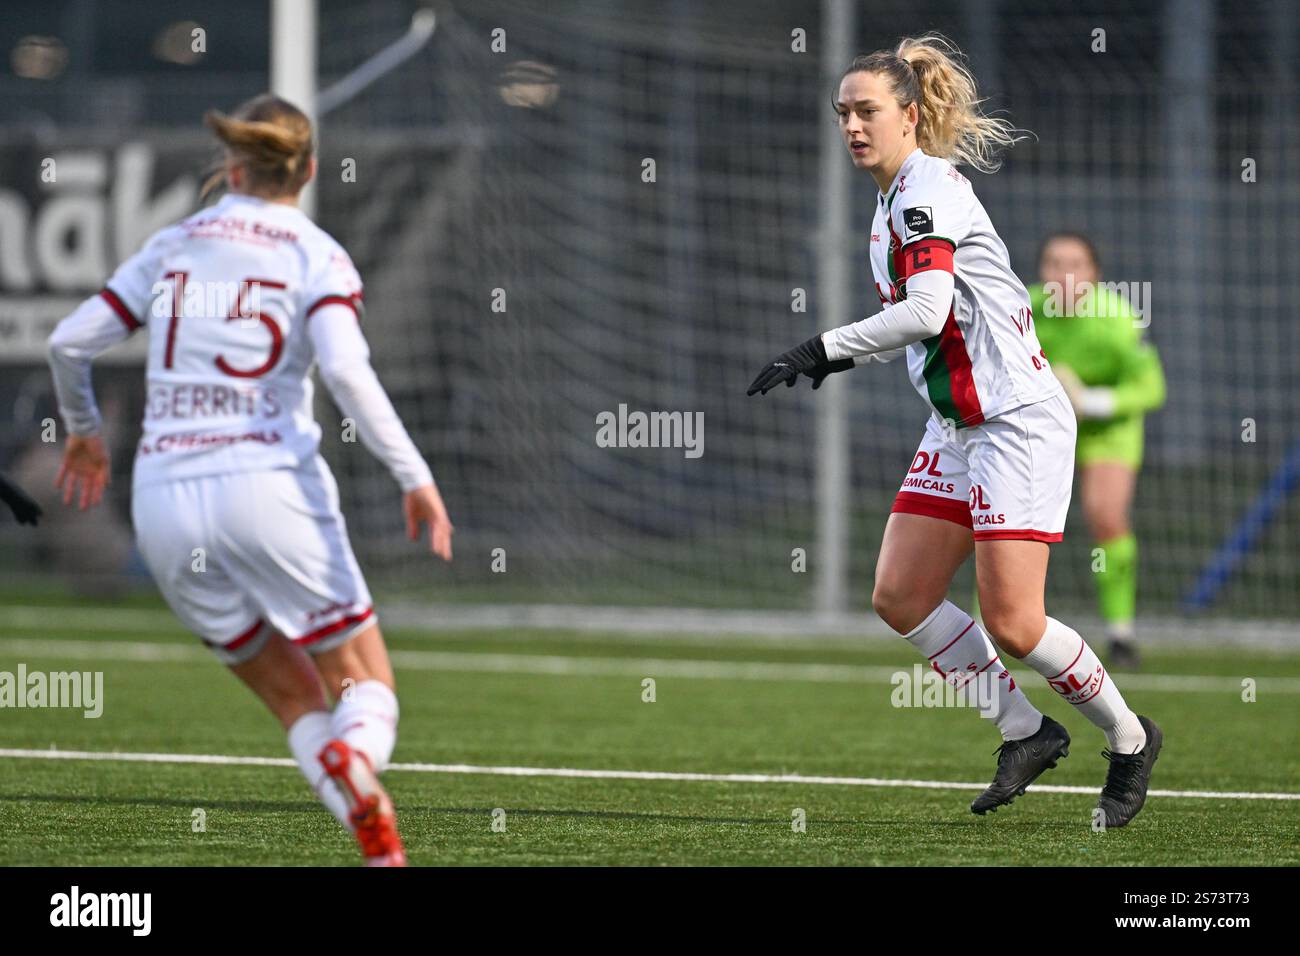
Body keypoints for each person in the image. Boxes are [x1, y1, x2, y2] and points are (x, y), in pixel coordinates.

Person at [747, 36, 1161, 826]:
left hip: (1015, 425)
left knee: (1014, 623)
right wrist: (841, 355)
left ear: (908, 115)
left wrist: (824, 348)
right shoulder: (890, 198)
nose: (853, 127)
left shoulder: (924, 192)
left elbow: (928, 311)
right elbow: (936, 324)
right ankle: (1026, 731)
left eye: (867, 111)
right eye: (843, 114)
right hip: (956, 426)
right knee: (899, 593)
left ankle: (1132, 737)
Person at [46, 94, 455, 865]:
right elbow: (346, 370)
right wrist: (415, 475)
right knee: (365, 686)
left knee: (295, 698)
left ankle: (381, 852)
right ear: (304, 169)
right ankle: (356, 760)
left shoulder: (173, 244)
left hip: (163, 503)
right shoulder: (314, 253)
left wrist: (87, 438)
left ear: (231, 167)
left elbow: (70, 343)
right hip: (267, 486)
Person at [1030, 232, 1166, 669]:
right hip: (1044, 427)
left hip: (1108, 431)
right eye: (1053, 263)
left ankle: (1120, 634)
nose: (1063, 274)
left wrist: (1093, 402)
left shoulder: (1119, 319)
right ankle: (992, 627)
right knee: (1004, 517)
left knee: (1105, 514)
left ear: (1094, 274)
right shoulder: (1023, 311)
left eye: (1075, 264)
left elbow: (1151, 387)